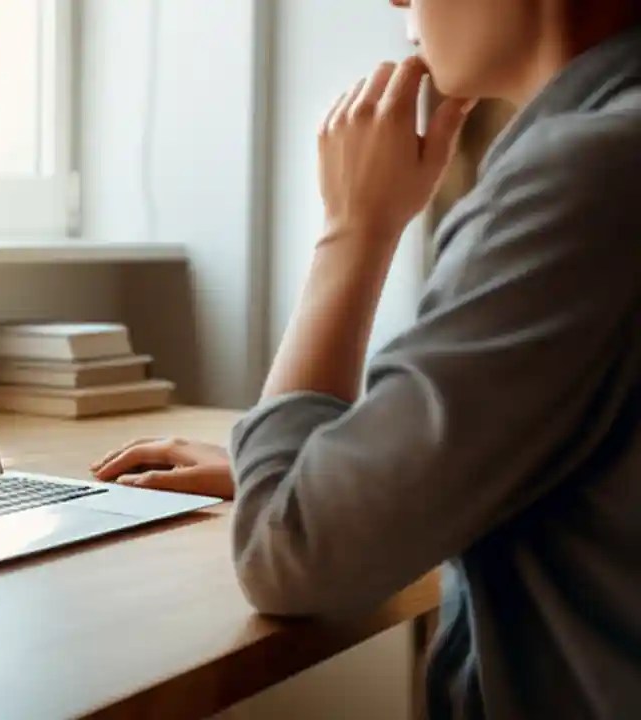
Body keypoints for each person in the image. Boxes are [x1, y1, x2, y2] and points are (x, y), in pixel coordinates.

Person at [91, 1, 641, 717]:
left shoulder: (590, 174)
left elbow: (288, 555)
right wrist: (339, 466)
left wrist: (353, 231)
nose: (397, 0)